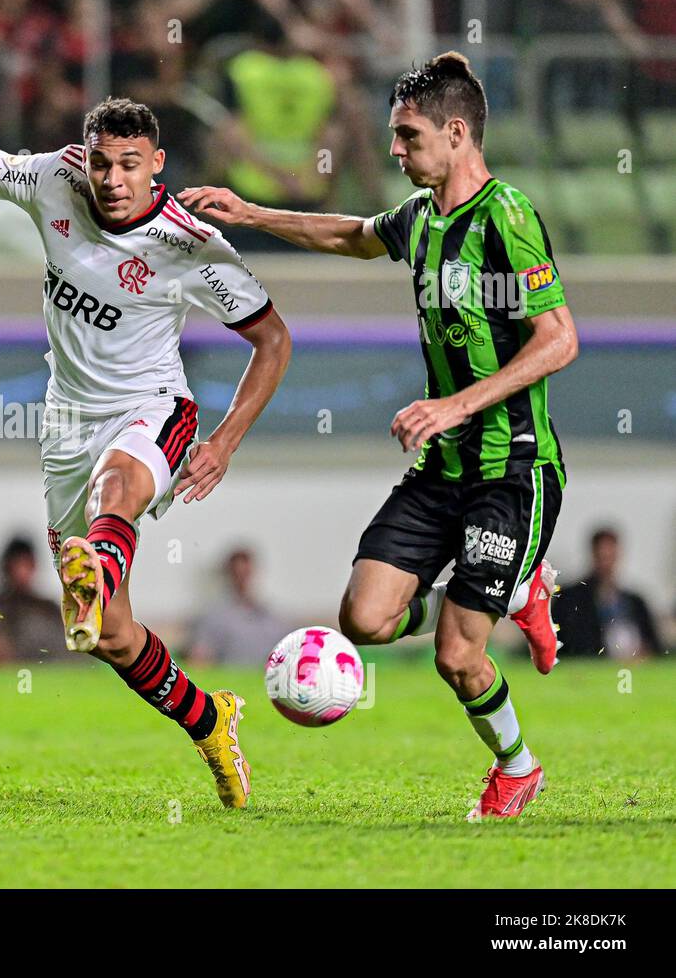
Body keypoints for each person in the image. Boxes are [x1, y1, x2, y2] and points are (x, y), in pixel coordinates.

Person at [179, 52, 579, 820]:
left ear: (456, 132)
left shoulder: (508, 217)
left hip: (513, 472)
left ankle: (517, 767)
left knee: (458, 656)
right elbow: (353, 236)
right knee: (364, 619)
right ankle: (511, 589)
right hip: (442, 467)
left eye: (407, 136)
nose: (394, 152)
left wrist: (457, 404)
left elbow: (559, 339)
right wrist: (254, 214)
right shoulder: (422, 220)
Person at [0, 97, 292, 809]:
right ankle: (209, 720)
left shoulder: (190, 246)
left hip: (152, 408)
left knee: (116, 491)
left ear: (156, 164)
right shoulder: (52, 177)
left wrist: (224, 440)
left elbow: (274, 339)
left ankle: (97, 559)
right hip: (67, 423)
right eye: (102, 161)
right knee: (110, 634)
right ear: (84, 155)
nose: (112, 178)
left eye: (130, 164)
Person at [557, 528, 664, 660]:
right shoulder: (571, 599)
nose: (606, 564)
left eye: (610, 557)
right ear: (593, 555)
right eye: (602, 557)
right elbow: (571, 644)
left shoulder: (636, 602)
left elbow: (655, 646)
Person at [188, 549, 288, 666]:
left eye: (245, 573)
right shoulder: (213, 616)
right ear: (228, 575)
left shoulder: (268, 616)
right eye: (237, 574)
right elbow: (199, 657)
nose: (242, 580)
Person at [0, 536, 68, 662]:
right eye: (17, 565)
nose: (22, 572)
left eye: (26, 565)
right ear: (7, 567)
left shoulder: (48, 609)